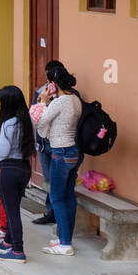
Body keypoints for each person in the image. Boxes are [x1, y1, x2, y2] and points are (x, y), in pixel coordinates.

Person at [0, 85, 36, 262]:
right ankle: (8, 242)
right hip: (23, 169)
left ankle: (17, 250)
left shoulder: (9, 124)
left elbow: (2, 151)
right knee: (11, 207)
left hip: (8, 170)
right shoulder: (28, 120)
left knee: (11, 211)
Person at [35, 65, 82, 256]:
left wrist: (43, 102)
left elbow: (39, 121)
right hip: (73, 151)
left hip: (60, 152)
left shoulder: (59, 102)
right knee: (68, 196)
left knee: (56, 197)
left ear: (53, 84)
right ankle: (65, 238)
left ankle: (65, 244)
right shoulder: (75, 100)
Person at [30, 59, 65, 226]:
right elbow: (35, 117)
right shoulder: (40, 92)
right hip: (43, 143)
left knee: (60, 181)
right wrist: (42, 101)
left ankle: (59, 213)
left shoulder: (68, 96)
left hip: (60, 144)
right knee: (49, 180)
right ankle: (50, 212)